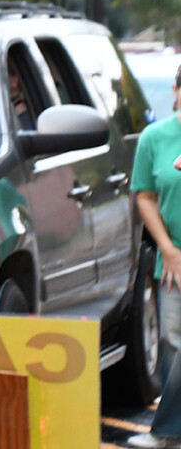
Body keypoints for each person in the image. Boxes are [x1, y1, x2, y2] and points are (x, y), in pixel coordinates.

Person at [127, 65, 181, 449]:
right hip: (174, 255)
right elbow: (145, 194)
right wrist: (167, 248)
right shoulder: (155, 138)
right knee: (171, 341)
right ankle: (169, 431)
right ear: (176, 91)